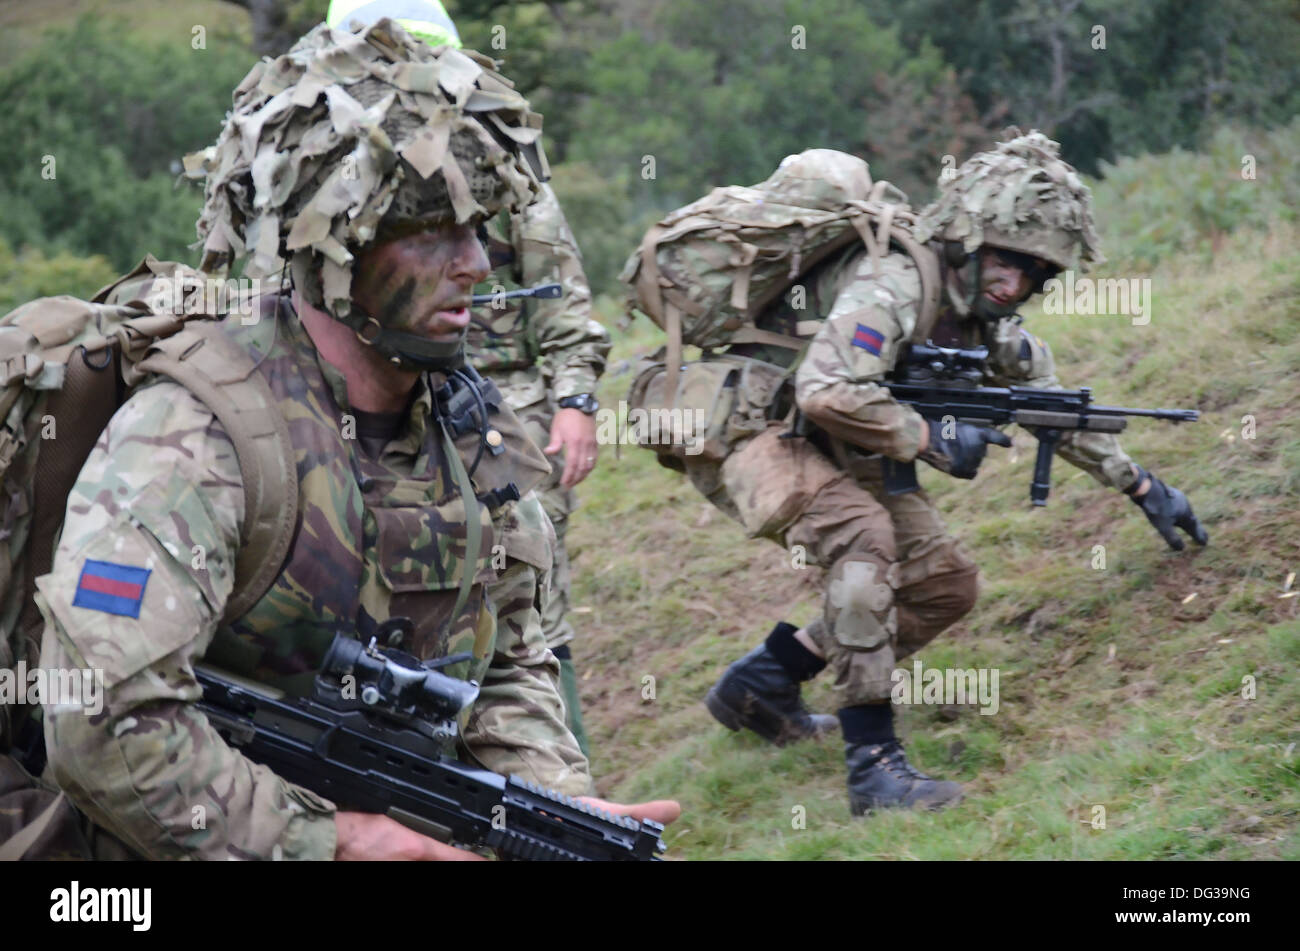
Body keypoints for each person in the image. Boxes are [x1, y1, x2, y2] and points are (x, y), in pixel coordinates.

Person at [35, 18, 675, 860]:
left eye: (479, 229)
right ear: (338, 244)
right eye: (432, 232)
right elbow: (101, 721)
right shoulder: (194, 438)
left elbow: (512, 663)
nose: (478, 263)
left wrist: (552, 816)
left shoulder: (474, 430)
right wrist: (333, 839)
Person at [693, 131, 1206, 814]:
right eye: (1006, 261)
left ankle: (762, 683)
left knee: (944, 585)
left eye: (1033, 273)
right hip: (748, 424)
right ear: (968, 241)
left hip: (832, 432)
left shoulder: (989, 324)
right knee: (862, 540)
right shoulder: (896, 282)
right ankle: (874, 767)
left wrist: (1142, 486)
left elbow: (1049, 408)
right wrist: (928, 436)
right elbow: (825, 388)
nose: (1012, 283)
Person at [328, 0, 611, 758]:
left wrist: (575, 402)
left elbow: (564, 299)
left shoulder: (497, 168)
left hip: (489, 415)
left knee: (528, 602)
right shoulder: (318, 173)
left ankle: (555, 780)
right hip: (356, 423)